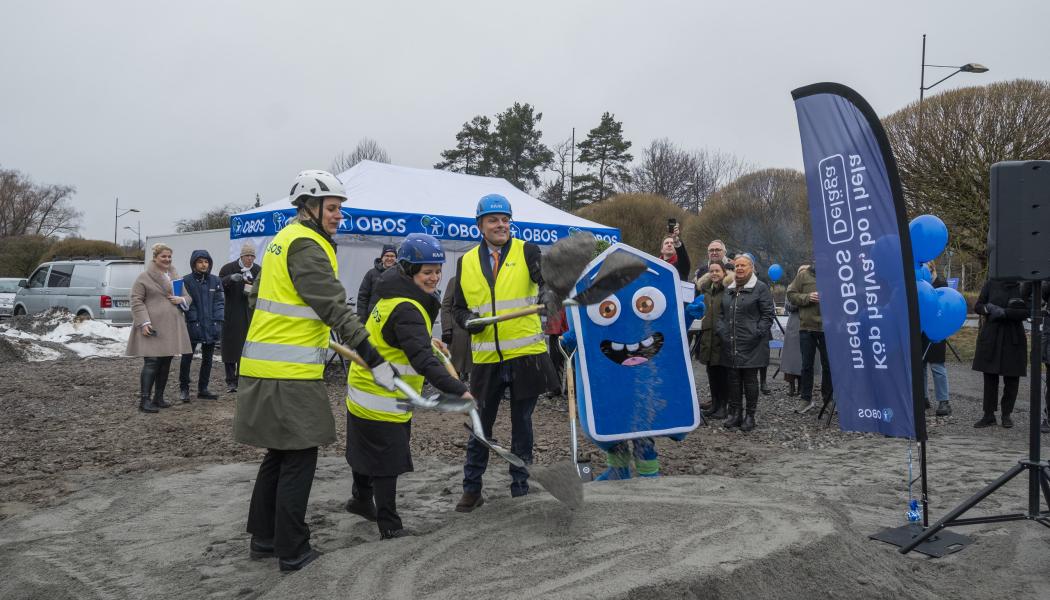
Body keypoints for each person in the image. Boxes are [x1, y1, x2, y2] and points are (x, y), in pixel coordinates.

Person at [233, 170, 394, 572]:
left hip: (264, 366)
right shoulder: (307, 245)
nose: (339, 216)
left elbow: (265, 301)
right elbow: (335, 308)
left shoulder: (280, 240)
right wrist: (373, 357)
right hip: (287, 373)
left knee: (280, 453)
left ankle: (264, 539)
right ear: (310, 206)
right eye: (334, 208)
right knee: (300, 456)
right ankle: (293, 549)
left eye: (340, 208)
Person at [345, 234, 472, 539]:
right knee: (387, 462)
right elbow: (423, 363)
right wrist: (457, 388)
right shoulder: (408, 308)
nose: (434, 277)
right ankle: (389, 526)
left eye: (437, 270)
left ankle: (361, 500)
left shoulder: (390, 295)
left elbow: (396, 337)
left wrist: (428, 340)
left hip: (362, 389)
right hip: (383, 397)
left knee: (364, 450)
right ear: (408, 270)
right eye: (427, 272)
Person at [451, 193, 556, 511]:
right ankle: (472, 487)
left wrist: (549, 294)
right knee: (480, 424)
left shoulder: (528, 251)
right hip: (485, 359)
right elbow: (458, 308)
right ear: (480, 225)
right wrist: (469, 321)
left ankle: (520, 485)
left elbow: (545, 282)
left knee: (522, 424)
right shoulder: (466, 261)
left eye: (505, 219)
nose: (501, 225)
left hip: (525, 354)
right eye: (493, 220)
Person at [127, 244, 193, 413]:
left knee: (166, 361)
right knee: (152, 361)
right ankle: (144, 400)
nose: (167, 259)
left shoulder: (175, 276)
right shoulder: (144, 277)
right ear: (155, 257)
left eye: (169, 256)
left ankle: (159, 397)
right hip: (152, 326)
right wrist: (144, 322)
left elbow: (187, 297)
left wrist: (181, 300)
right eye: (163, 256)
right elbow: (136, 300)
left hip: (171, 325)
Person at [718, 254, 774, 432]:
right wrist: (722, 332)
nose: (739, 269)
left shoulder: (760, 288)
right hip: (731, 342)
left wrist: (757, 333)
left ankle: (750, 416)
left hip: (753, 344)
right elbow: (721, 314)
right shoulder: (728, 289)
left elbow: (768, 315)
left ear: (752, 268)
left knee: (750, 381)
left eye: (743, 266)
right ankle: (736, 414)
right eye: (737, 266)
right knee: (733, 380)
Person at [971, 278, 1028, 428]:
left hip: (1013, 336)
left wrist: (1006, 313)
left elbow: (1027, 310)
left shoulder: (1021, 284)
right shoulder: (990, 283)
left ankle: (1006, 414)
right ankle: (988, 415)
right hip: (992, 335)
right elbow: (978, 306)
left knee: (1012, 378)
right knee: (990, 376)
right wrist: (988, 309)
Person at [786, 262, 833, 414]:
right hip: (807, 327)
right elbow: (791, 295)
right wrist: (807, 297)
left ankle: (828, 399)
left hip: (829, 327)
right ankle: (806, 399)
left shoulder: (835, 274)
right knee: (807, 365)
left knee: (828, 365)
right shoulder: (803, 275)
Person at [178, 250, 224, 401]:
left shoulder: (215, 281)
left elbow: (219, 302)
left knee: (208, 359)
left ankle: (203, 388)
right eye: (200, 262)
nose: (204, 265)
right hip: (193, 326)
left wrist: (218, 320)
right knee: (187, 357)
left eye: (206, 262)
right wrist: (193, 320)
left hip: (211, 326)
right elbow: (186, 303)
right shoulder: (186, 281)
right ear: (194, 264)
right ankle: (184, 389)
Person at [219, 242, 261, 393]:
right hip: (232, 312)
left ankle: (243, 376)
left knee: (246, 347)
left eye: (252, 256)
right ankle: (231, 380)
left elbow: (263, 287)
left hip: (250, 313)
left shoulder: (258, 270)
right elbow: (219, 285)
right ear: (241, 256)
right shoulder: (228, 268)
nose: (250, 259)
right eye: (247, 256)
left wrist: (253, 290)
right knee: (231, 347)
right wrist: (230, 279)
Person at [697, 261, 730, 419]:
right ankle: (715, 404)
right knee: (711, 373)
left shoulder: (727, 291)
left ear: (724, 272)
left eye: (717, 270)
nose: (714, 273)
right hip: (707, 336)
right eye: (712, 271)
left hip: (721, 338)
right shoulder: (706, 291)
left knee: (723, 374)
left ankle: (724, 406)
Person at [924, 262, 951, 416]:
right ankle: (923, 398)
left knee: (937, 366)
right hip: (921, 330)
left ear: (932, 269)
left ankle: (943, 401)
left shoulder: (940, 284)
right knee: (920, 366)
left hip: (936, 330)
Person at [439, 275, 472, 382]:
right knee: (455, 369)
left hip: (477, 328)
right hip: (457, 330)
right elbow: (446, 306)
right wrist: (447, 329)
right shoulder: (455, 280)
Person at [357, 244, 397, 320]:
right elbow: (363, 297)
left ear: (396, 258)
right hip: (373, 318)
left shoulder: (401, 275)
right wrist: (362, 319)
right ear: (382, 258)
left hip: (393, 319)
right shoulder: (371, 274)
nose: (389, 258)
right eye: (386, 256)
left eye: (392, 256)